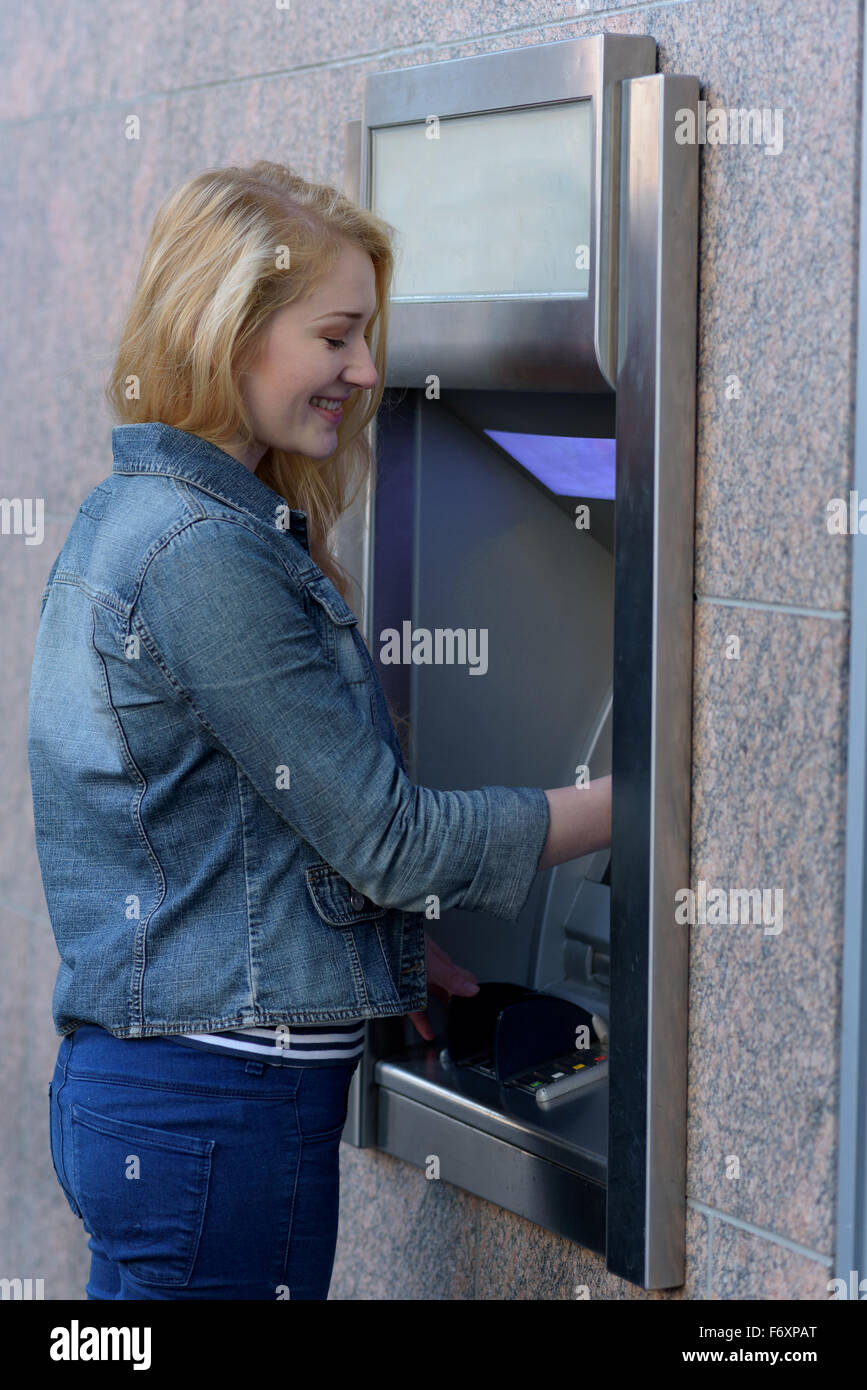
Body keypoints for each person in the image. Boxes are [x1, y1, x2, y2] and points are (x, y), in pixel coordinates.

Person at [28, 160, 612, 1301]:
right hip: (219, 1118)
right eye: (337, 335)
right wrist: (629, 804)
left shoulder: (136, 516)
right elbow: (390, 841)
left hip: (165, 1102)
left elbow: (227, 821)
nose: (368, 369)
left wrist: (384, 955)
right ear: (228, 330)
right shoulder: (204, 554)